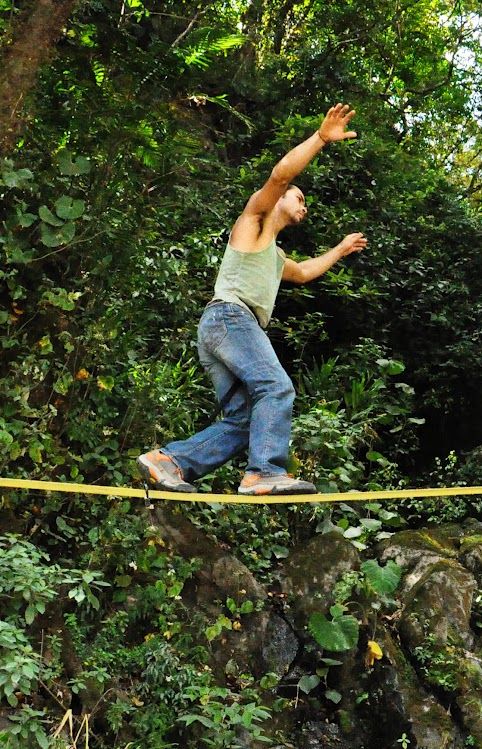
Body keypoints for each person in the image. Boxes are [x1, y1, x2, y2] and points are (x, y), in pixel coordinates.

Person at [137, 104, 369, 495]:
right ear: (278, 200)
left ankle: (168, 462)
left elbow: (306, 272)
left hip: (222, 330)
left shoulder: (276, 256)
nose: (304, 206)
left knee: (244, 421)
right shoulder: (252, 223)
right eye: (299, 198)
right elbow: (280, 176)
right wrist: (320, 138)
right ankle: (263, 471)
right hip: (231, 319)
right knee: (276, 388)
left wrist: (341, 249)